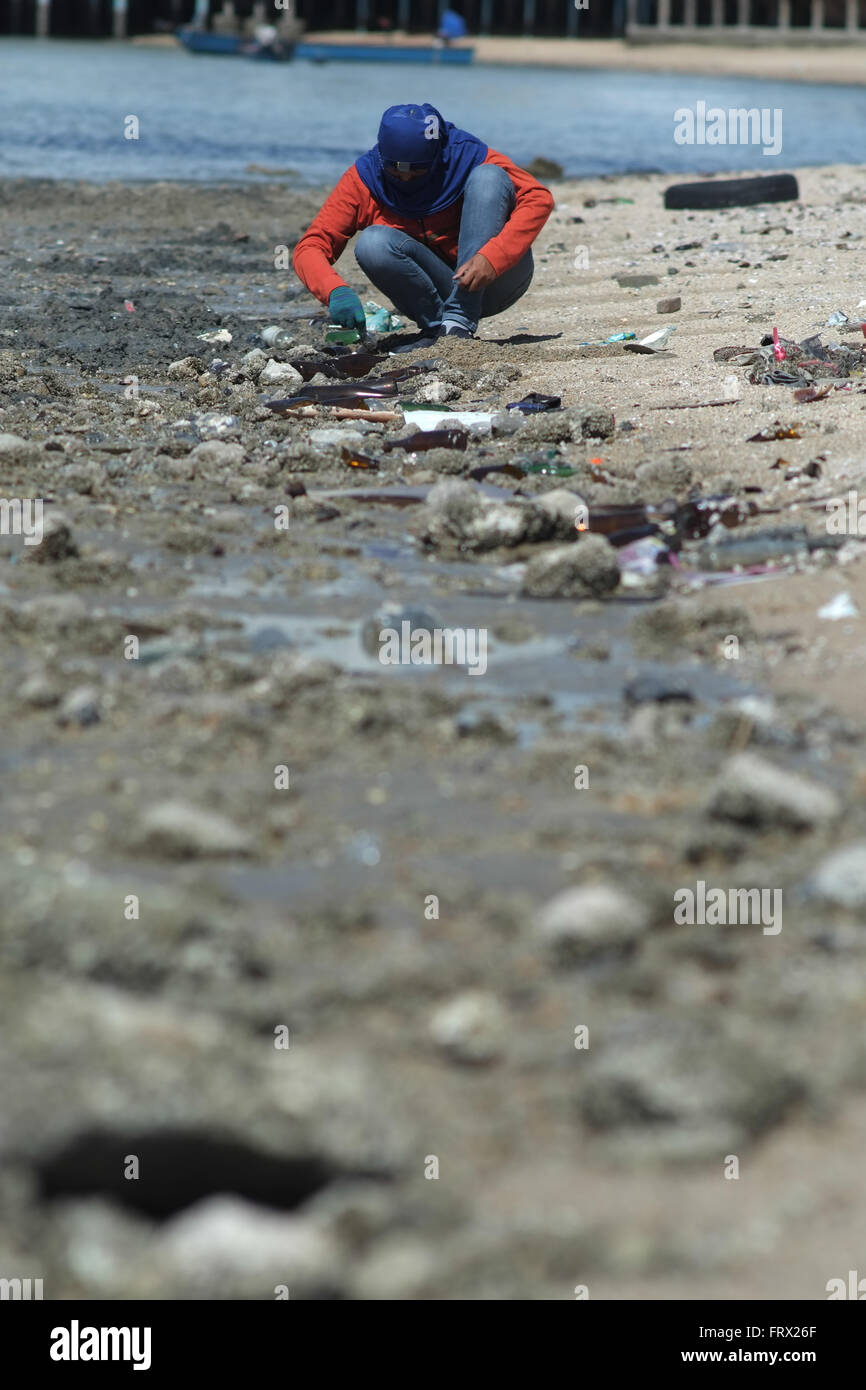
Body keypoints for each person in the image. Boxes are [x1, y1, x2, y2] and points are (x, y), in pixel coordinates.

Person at [293, 103, 554, 350]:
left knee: (489, 177)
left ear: (437, 156)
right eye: (395, 172)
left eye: (417, 171)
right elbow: (310, 246)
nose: (406, 178)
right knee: (372, 243)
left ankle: (459, 320)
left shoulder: (465, 153)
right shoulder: (364, 179)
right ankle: (440, 328)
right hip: (439, 291)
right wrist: (335, 291)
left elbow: (538, 198)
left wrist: (493, 257)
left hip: (499, 281)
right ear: (382, 156)